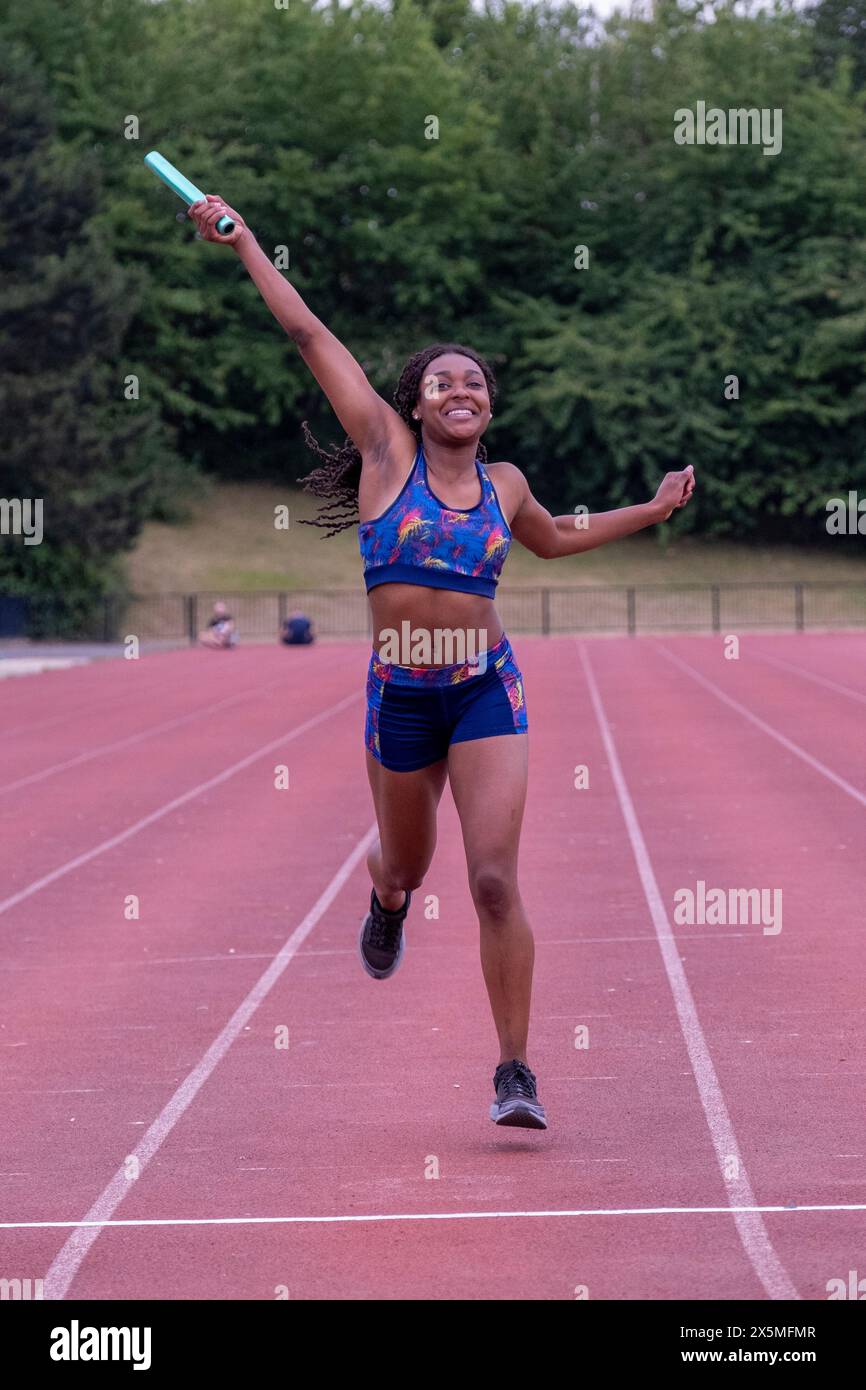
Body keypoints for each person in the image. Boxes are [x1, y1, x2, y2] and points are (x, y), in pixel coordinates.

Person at [189, 193, 695, 1130]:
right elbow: (307, 334)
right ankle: (384, 896)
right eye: (443, 382)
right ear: (415, 401)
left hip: (482, 688)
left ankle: (515, 1072)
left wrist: (651, 510)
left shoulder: (506, 485)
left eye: (476, 383)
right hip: (402, 698)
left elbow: (556, 538)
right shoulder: (384, 454)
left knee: (494, 878)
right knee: (410, 868)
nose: (462, 391)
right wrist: (246, 242)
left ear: (488, 405)